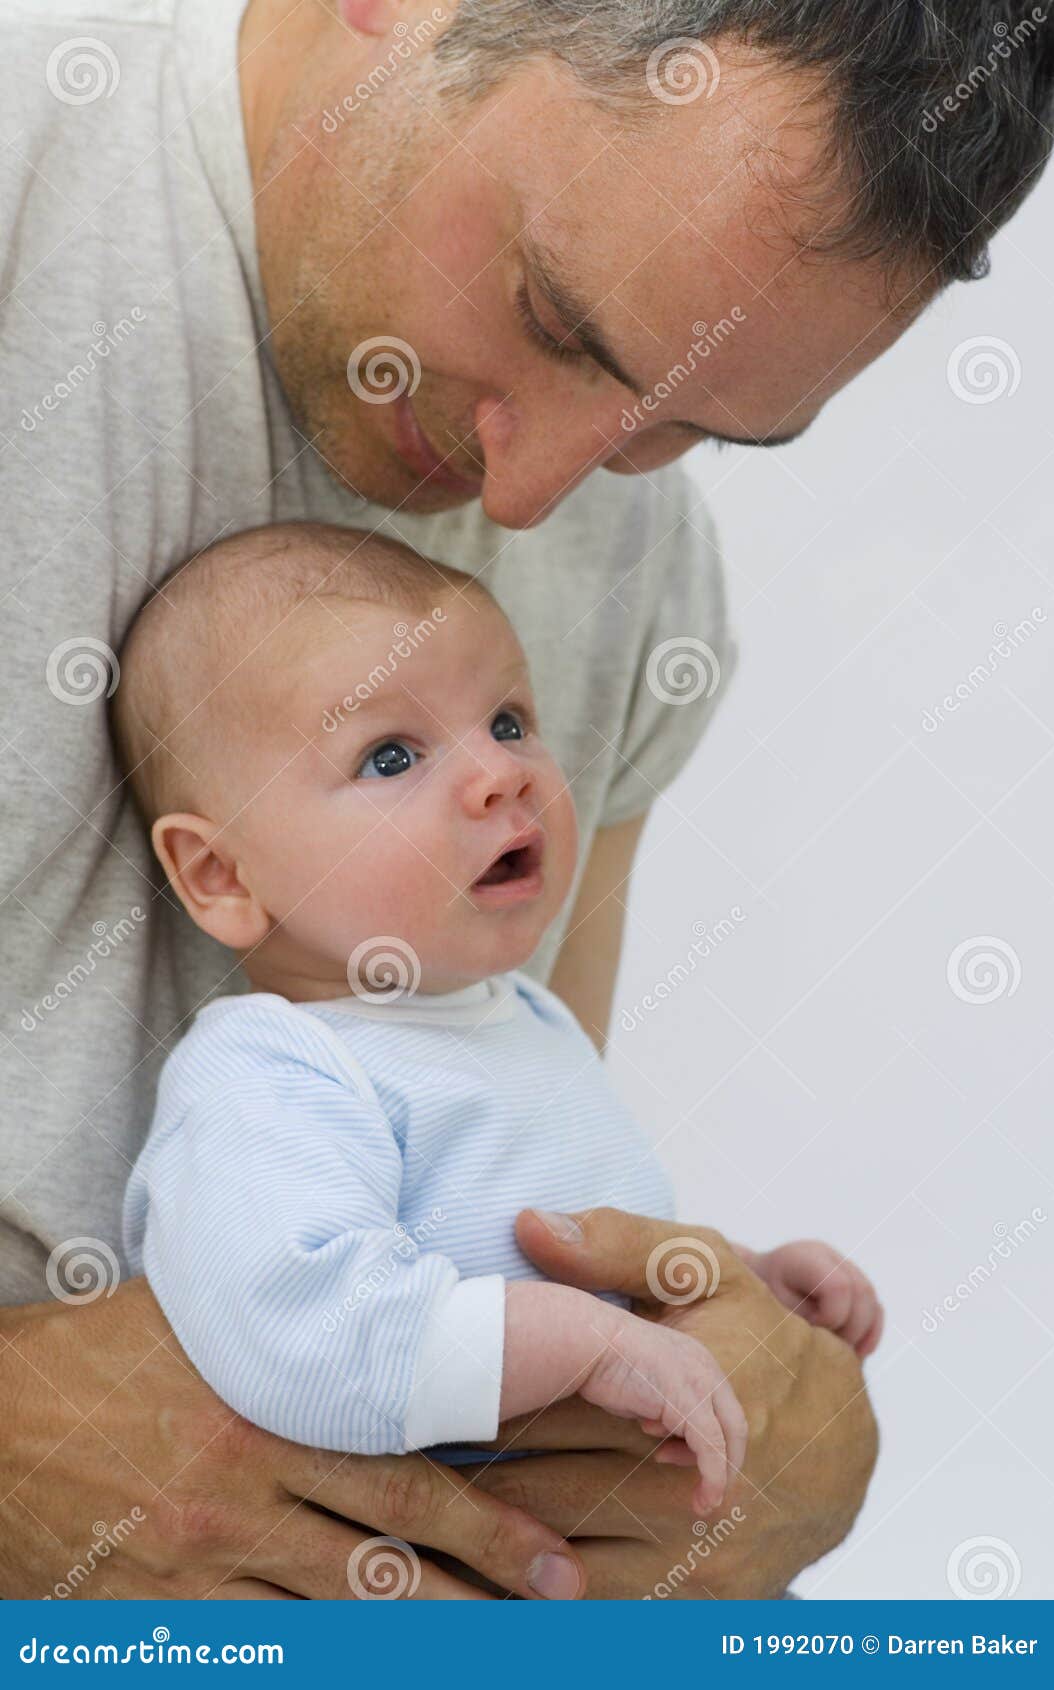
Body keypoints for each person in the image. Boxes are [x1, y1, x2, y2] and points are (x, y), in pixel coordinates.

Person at [1, 0, 1054, 1599]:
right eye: (554, 318)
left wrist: (777, 1429)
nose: (527, 498)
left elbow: (525, 1192)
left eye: (689, 429)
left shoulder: (646, 581)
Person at [112, 521, 881, 1533]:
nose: (501, 773)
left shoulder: (528, 1020)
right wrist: (585, 1347)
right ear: (223, 876)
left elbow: (584, 1240)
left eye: (509, 722)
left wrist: (730, 1281)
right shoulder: (271, 1070)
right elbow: (296, 1326)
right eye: (391, 754)